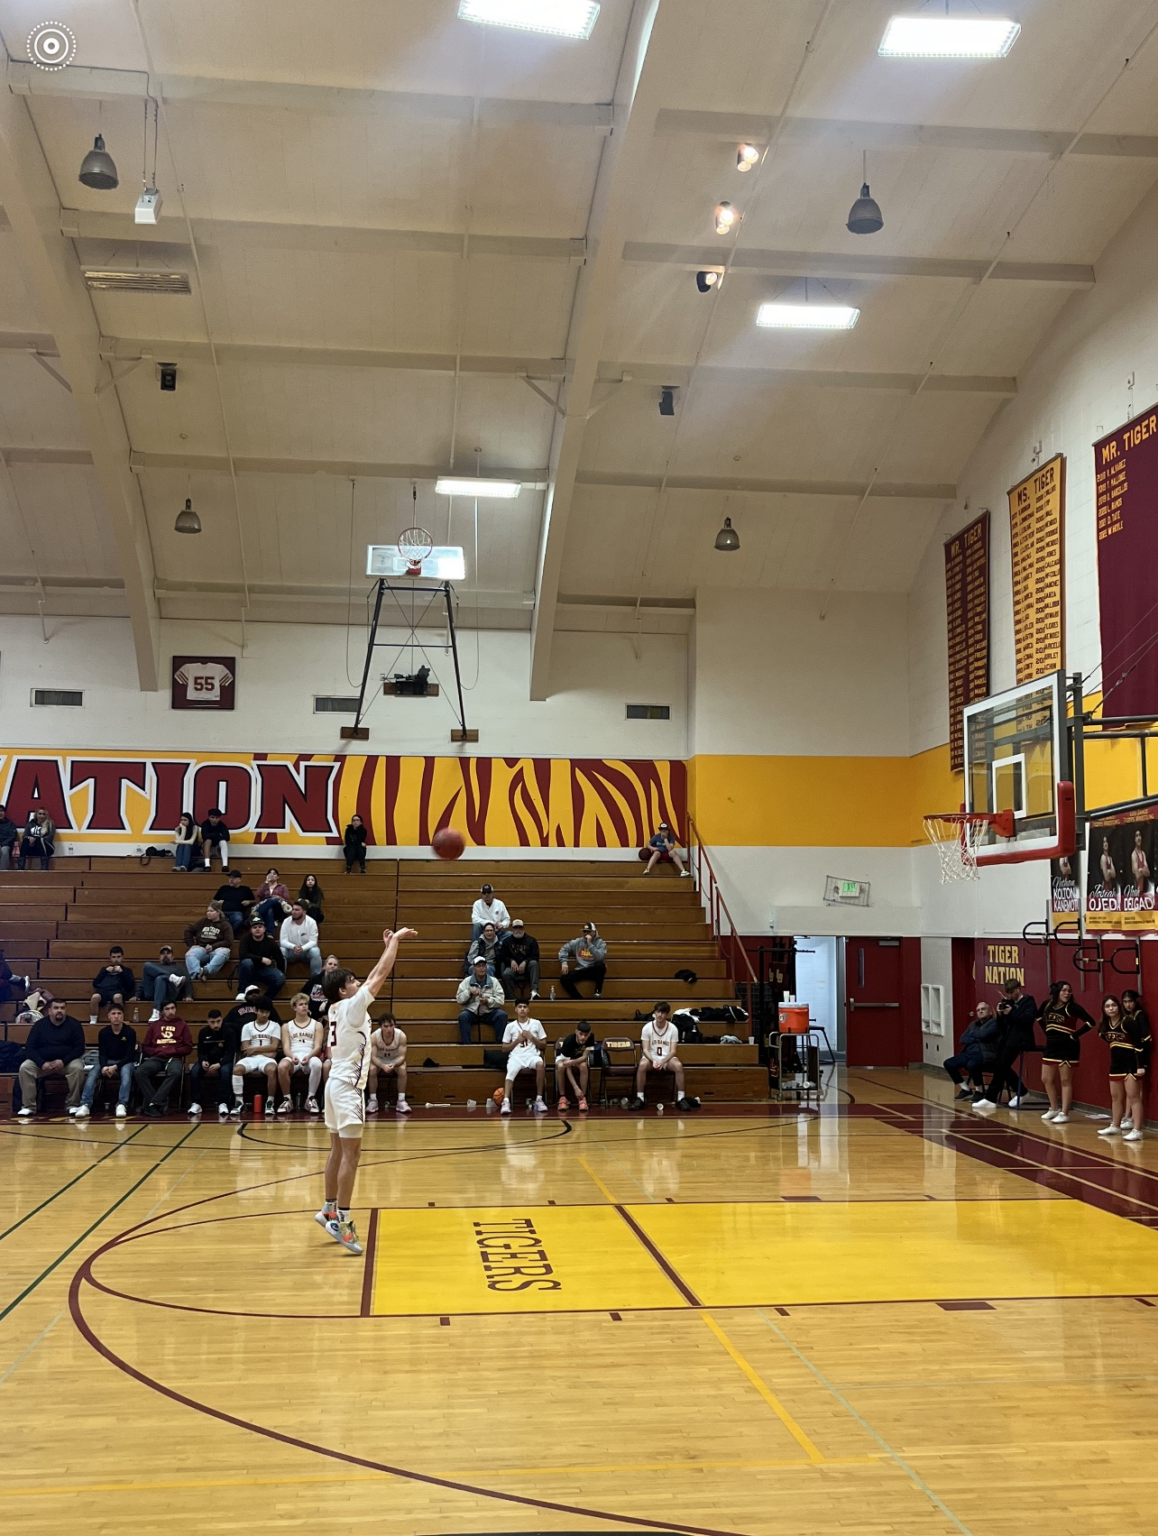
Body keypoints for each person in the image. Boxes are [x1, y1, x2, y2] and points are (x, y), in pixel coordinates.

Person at [316, 926, 417, 1256]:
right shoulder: (352, 1007)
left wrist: (386, 945)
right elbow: (382, 974)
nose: (360, 984)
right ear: (345, 991)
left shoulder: (335, 1008)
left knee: (336, 1151)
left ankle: (329, 1209)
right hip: (347, 1088)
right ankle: (343, 1222)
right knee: (352, 1155)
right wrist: (397, 942)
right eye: (353, 982)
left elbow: (373, 974)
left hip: (333, 1085)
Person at [972, 977, 1038, 1111]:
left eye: (1011, 992)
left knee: (1002, 1065)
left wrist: (1012, 1012)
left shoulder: (1029, 1002)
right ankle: (1022, 1092)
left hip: (1022, 1039)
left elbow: (1027, 1020)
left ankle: (991, 1098)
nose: (1009, 996)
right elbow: (1003, 1026)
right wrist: (1001, 1015)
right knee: (1000, 1065)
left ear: (1018, 989)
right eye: (1007, 993)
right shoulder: (1009, 1003)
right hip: (1008, 1039)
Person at [17, 998, 87, 1118]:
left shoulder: (75, 1025)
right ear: (49, 1011)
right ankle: (29, 1107)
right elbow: (29, 1048)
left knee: (78, 1068)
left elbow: (79, 1048)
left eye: (62, 1008)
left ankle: (72, 1104)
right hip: (43, 1064)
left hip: (66, 1062)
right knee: (25, 1067)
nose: (59, 1011)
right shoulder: (39, 1025)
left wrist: (64, 1061)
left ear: (65, 1010)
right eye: (56, 1008)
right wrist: (41, 1063)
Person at [1038, 980, 1095, 1123]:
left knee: (1065, 1080)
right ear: (1057, 992)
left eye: (1069, 991)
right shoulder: (1047, 1005)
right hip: (1051, 1046)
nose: (1067, 993)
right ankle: (1053, 1108)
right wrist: (1048, 1032)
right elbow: (1039, 1018)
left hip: (1068, 1047)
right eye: (1064, 990)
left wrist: (1075, 1035)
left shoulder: (1073, 1007)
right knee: (1046, 1078)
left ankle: (1064, 1113)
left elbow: (1090, 1022)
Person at [1097, 991, 1150, 1142]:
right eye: (1107, 1006)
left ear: (1118, 1007)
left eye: (1114, 1005)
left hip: (1130, 1064)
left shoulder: (1128, 1022)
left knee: (1133, 1097)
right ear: (1104, 1009)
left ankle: (1137, 1129)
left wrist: (1141, 1065)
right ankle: (1115, 1125)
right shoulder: (1105, 1026)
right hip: (1115, 1065)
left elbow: (1139, 1044)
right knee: (1116, 1097)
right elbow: (1103, 1036)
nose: (1111, 1008)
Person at [631, 1002, 698, 1111]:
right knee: (642, 1065)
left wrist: (663, 1061)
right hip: (651, 1058)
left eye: (662, 1012)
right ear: (654, 1013)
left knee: (678, 1066)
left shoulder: (673, 1028)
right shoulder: (647, 1028)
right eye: (658, 1012)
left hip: (666, 1058)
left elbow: (673, 1051)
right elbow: (645, 1049)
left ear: (667, 1014)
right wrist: (653, 1060)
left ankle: (681, 1099)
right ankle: (640, 1098)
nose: (660, 1015)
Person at [76, 1004, 136, 1119]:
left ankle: (122, 1104)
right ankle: (85, 1104)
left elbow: (130, 1055)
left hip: (124, 1062)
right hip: (107, 1061)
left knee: (126, 1073)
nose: (116, 1016)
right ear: (109, 1016)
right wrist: (103, 1066)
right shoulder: (103, 1032)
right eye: (113, 1014)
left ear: (123, 1016)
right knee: (93, 1073)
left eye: (119, 1014)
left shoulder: (130, 1032)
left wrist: (116, 1066)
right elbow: (102, 1053)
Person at [134, 1001, 193, 1117]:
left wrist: (174, 1051)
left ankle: (154, 1103)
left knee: (176, 1071)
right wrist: (157, 1052)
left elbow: (188, 1047)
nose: (170, 1011)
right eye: (167, 1009)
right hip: (156, 1057)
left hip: (174, 1058)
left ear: (176, 1009)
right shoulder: (155, 1025)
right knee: (139, 1072)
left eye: (172, 1008)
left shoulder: (182, 1025)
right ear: (162, 1011)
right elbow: (145, 1047)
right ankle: (158, 1102)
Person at [231, 1003, 283, 1117]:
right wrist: (266, 1051)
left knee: (272, 1069)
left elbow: (274, 1047)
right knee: (237, 1069)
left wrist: (253, 1049)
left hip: (266, 1060)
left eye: (266, 1012)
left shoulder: (275, 1026)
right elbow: (245, 1049)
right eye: (261, 1011)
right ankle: (239, 1101)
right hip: (252, 1058)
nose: (264, 1014)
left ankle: (270, 1102)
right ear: (256, 1011)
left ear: (269, 1013)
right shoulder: (247, 1026)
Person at [943, 1002, 1001, 1100]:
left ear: (990, 1011)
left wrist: (974, 1034)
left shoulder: (994, 1023)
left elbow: (984, 1035)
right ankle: (965, 1089)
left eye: (983, 1009)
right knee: (948, 1063)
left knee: (972, 1065)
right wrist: (978, 1036)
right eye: (978, 1010)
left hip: (984, 1054)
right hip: (968, 1053)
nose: (980, 1011)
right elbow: (962, 1038)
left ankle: (979, 1090)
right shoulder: (973, 1024)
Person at [278, 994, 325, 1114]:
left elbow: (318, 1046)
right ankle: (287, 1099)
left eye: (306, 1004)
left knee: (317, 1064)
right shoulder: (286, 1026)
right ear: (294, 1008)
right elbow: (286, 1047)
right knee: (282, 1066)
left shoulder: (317, 1025)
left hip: (309, 1055)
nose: (304, 1006)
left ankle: (310, 1098)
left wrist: (309, 1056)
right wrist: (292, 1056)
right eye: (301, 1004)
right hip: (293, 1056)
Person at [500, 1000, 548, 1115]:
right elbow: (504, 1048)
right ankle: (506, 1101)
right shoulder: (510, 1026)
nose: (522, 1009)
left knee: (540, 1064)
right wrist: (517, 1040)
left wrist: (532, 1038)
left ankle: (539, 1099)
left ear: (528, 1009)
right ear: (516, 1009)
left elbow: (544, 1045)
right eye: (520, 1007)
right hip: (516, 1057)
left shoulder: (536, 1023)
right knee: (510, 1071)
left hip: (532, 1055)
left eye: (525, 1007)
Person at [189, 1009, 234, 1118]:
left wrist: (220, 1063)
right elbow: (200, 1052)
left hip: (223, 1061)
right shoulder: (203, 1032)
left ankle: (223, 1103)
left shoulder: (229, 1032)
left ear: (222, 1020)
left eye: (218, 1021)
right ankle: (196, 1103)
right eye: (213, 1022)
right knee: (194, 1071)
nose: (216, 1025)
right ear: (208, 1022)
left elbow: (230, 1054)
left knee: (225, 1071)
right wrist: (203, 1061)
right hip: (208, 1061)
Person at [456, 957, 509, 1044]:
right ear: (474, 969)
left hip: (489, 1012)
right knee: (463, 1016)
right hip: (472, 1012)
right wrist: (469, 993)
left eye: (483, 966)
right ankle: (467, 1047)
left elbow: (500, 1000)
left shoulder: (494, 981)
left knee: (502, 1015)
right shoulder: (466, 981)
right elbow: (459, 999)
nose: (481, 968)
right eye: (478, 966)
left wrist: (488, 1001)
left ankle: (499, 1045)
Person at [367, 1013, 410, 1115]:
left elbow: (402, 1057)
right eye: (385, 1026)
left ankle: (401, 1100)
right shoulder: (374, 1036)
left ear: (394, 1025)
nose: (389, 1029)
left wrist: (393, 1064)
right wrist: (382, 1066)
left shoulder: (401, 1036)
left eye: (391, 1026)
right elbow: (373, 1057)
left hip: (395, 1060)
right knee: (371, 1069)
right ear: (381, 1027)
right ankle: (373, 1101)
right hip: (379, 1060)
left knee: (403, 1069)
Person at [236, 917, 285, 1001]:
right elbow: (243, 955)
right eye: (254, 927)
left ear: (264, 929)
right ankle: (242, 991)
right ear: (251, 930)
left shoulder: (270, 943)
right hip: (247, 969)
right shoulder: (245, 940)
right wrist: (261, 959)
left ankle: (266, 998)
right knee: (247, 962)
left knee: (280, 977)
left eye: (260, 927)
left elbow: (280, 959)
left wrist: (281, 973)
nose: (257, 929)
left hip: (263, 970)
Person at [183, 904, 232, 982]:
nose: (208, 913)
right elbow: (188, 929)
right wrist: (191, 945)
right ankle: (197, 974)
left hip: (217, 950)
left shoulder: (225, 924)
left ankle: (206, 970)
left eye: (211, 911)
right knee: (189, 954)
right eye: (207, 911)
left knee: (225, 952)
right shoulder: (203, 921)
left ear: (218, 912)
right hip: (202, 949)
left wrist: (213, 946)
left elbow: (228, 941)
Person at [89, 945, 136, 1026]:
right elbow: (95, 984)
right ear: (110, 958)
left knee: (117, 997)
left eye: (118, 957)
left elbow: (130, 986)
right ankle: (93, 1021)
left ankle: (121, 1019)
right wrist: (105, 972)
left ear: (122, 958)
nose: (116, 959)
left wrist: (122, 973)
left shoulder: (127, 971)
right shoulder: (104, 969)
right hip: (103, 991)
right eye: (114, 957)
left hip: (117, 991)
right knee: (94, 997)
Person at [555, 1020, 596, 1112]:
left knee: (583, 1066)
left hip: (577, 1059)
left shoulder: (591, 1037)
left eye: (586, 1035)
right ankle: (562, 1097)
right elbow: (567, 1066)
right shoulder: (569, 1040)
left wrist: (573, 1061)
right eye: (581, 1034)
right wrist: (575, 1087)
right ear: (576, 1032)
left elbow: (585, 1056)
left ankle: (582, 1098)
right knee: (561, 1067)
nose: (583, 1037)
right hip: (563, 1059)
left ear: (589, 1034)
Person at [558, 922, 606, 999]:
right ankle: (578, 999)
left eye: (588, 932)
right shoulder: (577, 942)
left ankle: (597, 992)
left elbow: (599, 957)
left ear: (594, 932)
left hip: (593, 969)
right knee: (564, 979)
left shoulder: (601, 943)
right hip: (581, 969)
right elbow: (564, 949)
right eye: (584, 931)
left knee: (601, 966)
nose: (586, 934)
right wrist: (564, 962)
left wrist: (589, 944)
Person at [141, 945, 190, 1019]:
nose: (165, 955)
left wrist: (188, 995)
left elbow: (187, 982)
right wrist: (137, 995)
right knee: (146, 965)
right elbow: (144, 982)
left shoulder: (179, 968)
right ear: (159, 957)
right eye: (163, 953)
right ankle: (172, 977)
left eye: (168, 953)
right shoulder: (154, 968)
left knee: (160, 979)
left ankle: (156, 1011)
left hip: (170, 993)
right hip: (153, 993)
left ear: (173, 957)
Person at [498, 918, 540, 1001]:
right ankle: (511, 997)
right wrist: (511, 961)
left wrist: (525, 962)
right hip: (512, 967)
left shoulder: (531, 940)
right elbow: (502, 956)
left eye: (520, 928)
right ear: (512, 929)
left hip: (527, 967)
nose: (518, 930)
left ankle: (534, 990)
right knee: (506, 974)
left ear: (523, 928)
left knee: (534, 963)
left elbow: (535, 956)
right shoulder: (506, 941)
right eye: (516, 928)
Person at [280, 902, 323, 979]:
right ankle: (280, 976)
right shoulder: (286, 921)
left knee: (315, 951)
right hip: (291, 951)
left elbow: (313, 941)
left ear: (304, 912)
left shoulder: (311, 922)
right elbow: (282, 941)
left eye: (297, 910)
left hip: (306, 952)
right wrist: (293, 947)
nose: (293, 912)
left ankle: (316, 979)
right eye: (293, 909)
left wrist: (302, 948)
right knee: (281, 950)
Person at [213, 869, 255, 934]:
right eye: (230, 878)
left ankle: (228, 934)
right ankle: (228, 934)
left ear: (240, 880)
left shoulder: (245, 889)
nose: (231, 880)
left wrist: (249, 902)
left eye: (234, 878)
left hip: (237, 912)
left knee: (238, 919)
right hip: (223, 912)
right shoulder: (223, 888)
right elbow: (214, 901)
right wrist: (218, 903)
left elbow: (254, 901)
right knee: (216, 917)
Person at [254, 868, 292, 933]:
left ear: (277, 877)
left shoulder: (282, 887)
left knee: (273, 900)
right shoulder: (264, 886)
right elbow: (258, 894)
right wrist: (266, 882)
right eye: (270, 873)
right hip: (266, 910)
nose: (272, 875)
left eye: (274, 874)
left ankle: (257, 913)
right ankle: (270, 934)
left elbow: (287, 900)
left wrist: (279, 898)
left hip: (278, 910)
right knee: (269, 910)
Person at [308, 955, 340, 1019]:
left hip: (329, 1014)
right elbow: (303, 993)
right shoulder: (315, 979)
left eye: (335, 965)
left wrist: (326, 1002)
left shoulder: (339, 982)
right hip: (311, 1013)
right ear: (325, 966)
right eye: (330, 964)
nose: (332, 966)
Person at [0, 802, 19, 870]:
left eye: (1, 811)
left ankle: (2, 871)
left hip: (6, 845)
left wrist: (3, 843)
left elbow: (12, 836)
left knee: (4, 850)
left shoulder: (10, 824)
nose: (0, 813)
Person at [1132, 829, 1151, 894]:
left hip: (1143, 890)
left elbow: (1148, 873)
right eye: (1136, 836)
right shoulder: (1134, 855)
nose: (1138, 838)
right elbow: (1137, 876)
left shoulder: (1143, 854)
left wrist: (1140, 870)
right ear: (1134, 839)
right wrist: (1143, 870)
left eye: (1139, 835)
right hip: (1136, 891)